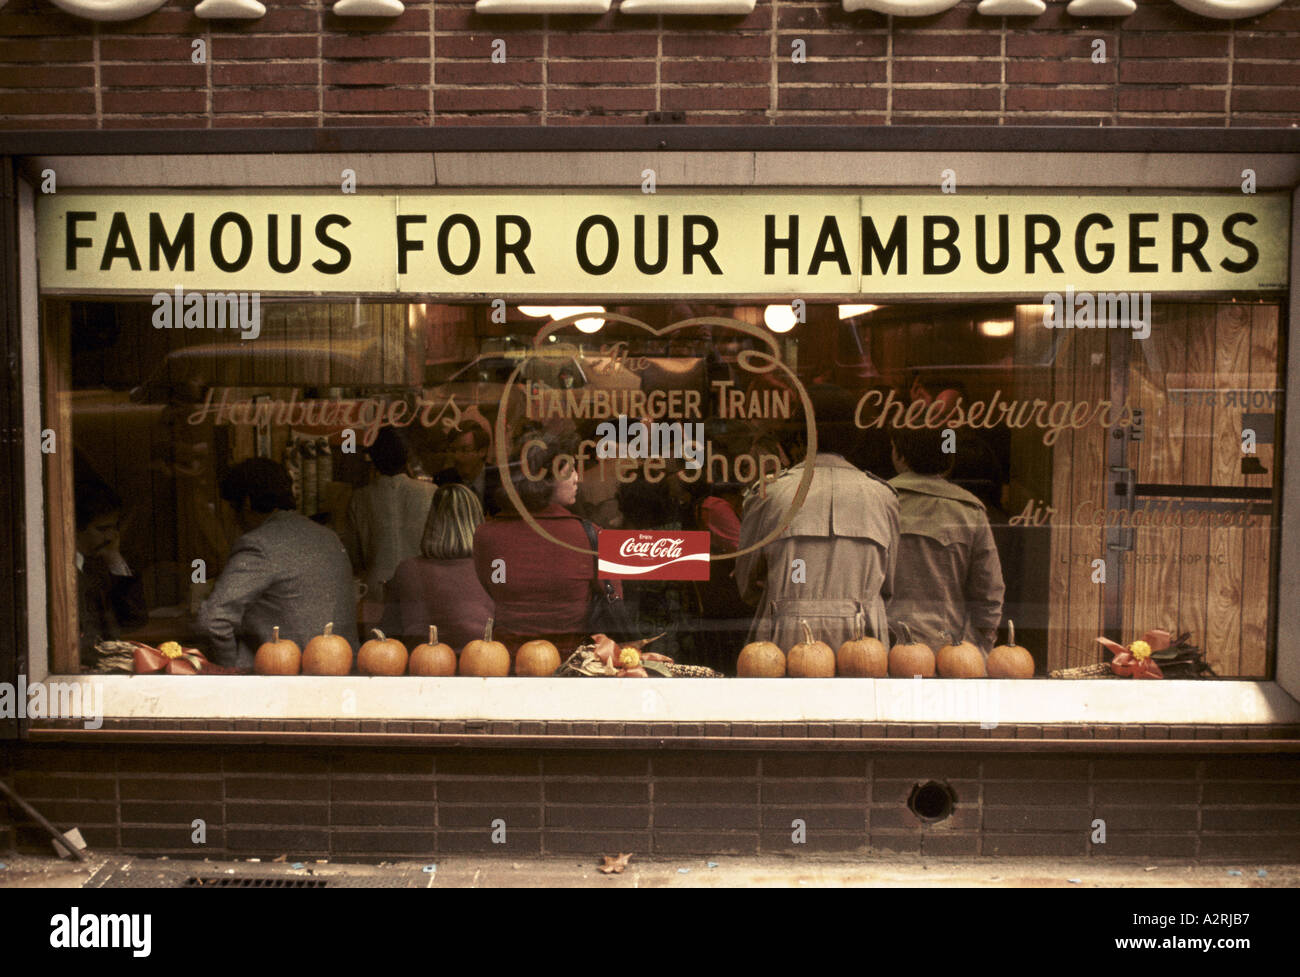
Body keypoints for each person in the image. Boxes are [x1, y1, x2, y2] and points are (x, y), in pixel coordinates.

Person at [736, 385, 899, 651]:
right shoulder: (882, 497)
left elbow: (747, 587)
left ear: (801, 432)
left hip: (785, 641)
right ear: (855, 435)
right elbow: (890, 587)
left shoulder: (771, 493)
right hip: (864, 642)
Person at [472, 428, 620, 660]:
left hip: (505, 665)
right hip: (575, 666)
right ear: (548, 479)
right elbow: (616, 598)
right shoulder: (592, 536)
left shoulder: (485, 535)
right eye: (570, 471)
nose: (577, 478)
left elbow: (491, 588)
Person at [199, 459, 357, 669]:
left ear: (246, 503)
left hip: (283, 678)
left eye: (230, 507)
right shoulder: (329, 537)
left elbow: (213, 620)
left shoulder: (258, 544)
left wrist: (229, 671)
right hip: (342, 673)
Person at [887, 425, 1005, 653]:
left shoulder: (880, 503)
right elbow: (989, 593)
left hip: (888, 649)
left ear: (900, 456)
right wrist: (980, 647)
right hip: (951, 651)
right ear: (948, 459)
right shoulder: (969, 510)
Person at [382, 483, 494, 650]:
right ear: (477, 520)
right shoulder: (495, 568)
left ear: (431, 521)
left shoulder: (407, 570)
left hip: (419, 669)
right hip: (484, 666)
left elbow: (386, 635)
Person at [342, 425, 437, 604]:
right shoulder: (430, 492)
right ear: (406, 456)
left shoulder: (360, 498)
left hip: (376, 592)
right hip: (422, 586)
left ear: (374, 459)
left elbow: (352, 555)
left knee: (379, 633)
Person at [75, 478, 147, 670]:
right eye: (102, 529)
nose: (111, 537)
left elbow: (134, 620)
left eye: (114, 527)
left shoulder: (98, 566)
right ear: (75, 529)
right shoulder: (66, 572)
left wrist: (115, 558)